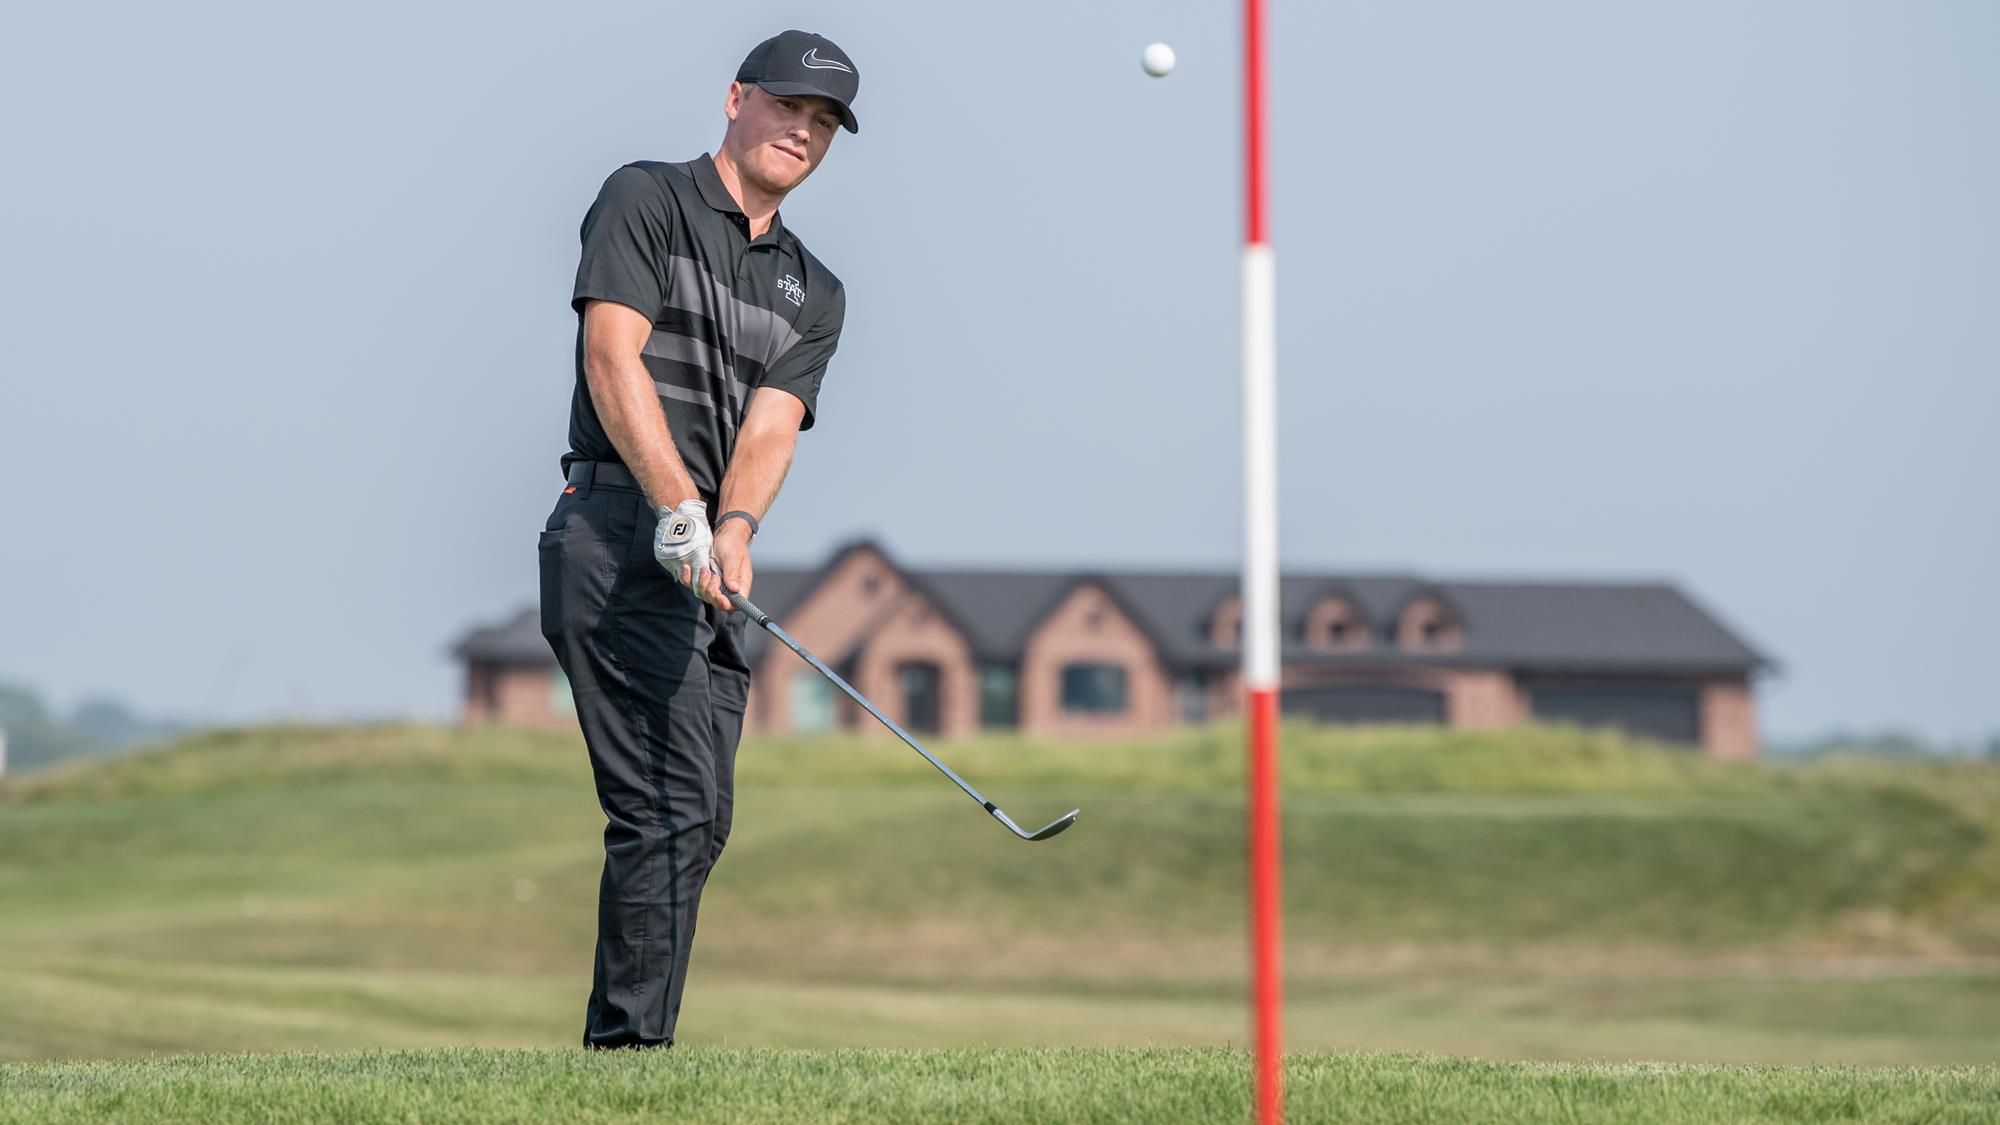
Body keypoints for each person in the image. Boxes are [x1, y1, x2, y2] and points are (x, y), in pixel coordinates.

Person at [538, 29, 859, 1050]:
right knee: (670, 804)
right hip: (616, 528)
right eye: (785, 109)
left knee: (698, 815)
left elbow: (770, 428)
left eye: (821, 124)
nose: (800, 134)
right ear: (735, 100)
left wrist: (730, 525)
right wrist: (678, 504)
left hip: (701, 558)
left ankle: (627, 1053)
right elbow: (610, 355)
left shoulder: (815, 288)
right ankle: (629, 1058)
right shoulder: (647, 199)